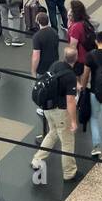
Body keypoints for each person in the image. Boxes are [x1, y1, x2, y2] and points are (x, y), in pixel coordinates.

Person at [31, 46, 79, 182]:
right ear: (75, 59)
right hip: (60, 111)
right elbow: (70, 101)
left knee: (53, 132)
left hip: (47, 108)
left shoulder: (55, 64)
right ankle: (69, 172)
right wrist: (74, 121)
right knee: (67, 141)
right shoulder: (70, 76)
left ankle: (37, 160)